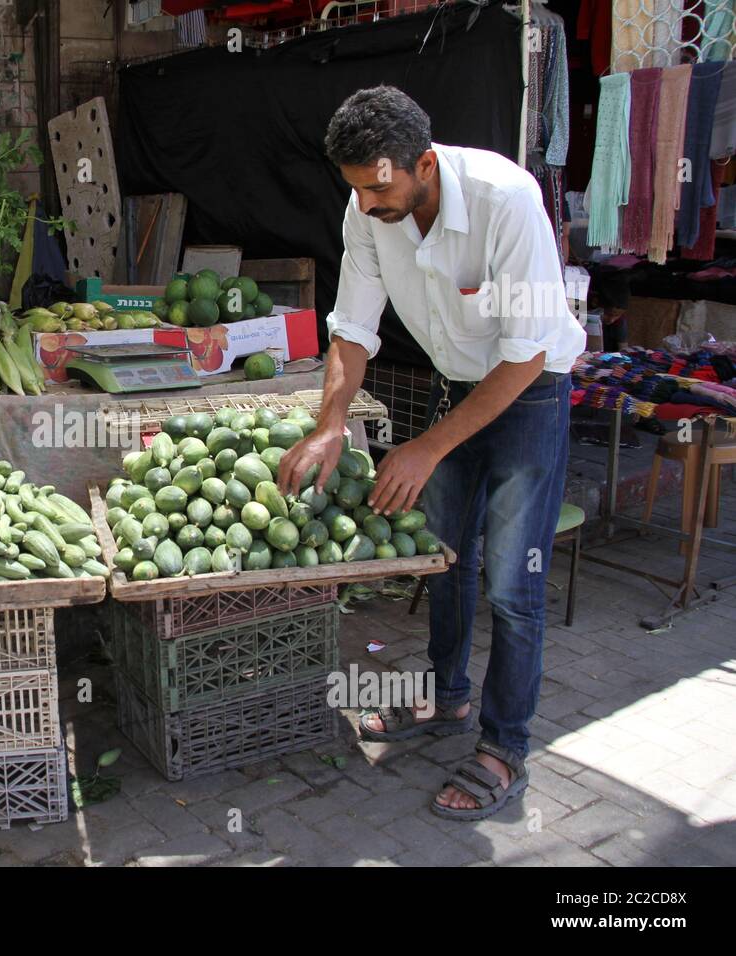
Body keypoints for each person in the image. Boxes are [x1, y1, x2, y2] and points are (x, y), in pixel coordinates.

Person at [277, 86, 585, 821]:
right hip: (459, 385)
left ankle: (502, 747)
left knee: (513, 584)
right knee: (444, 559)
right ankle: (447, 699)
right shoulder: (367, 207)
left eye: (378, 187)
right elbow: (353, 325)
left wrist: (425, 449)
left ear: (423, 162)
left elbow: (525, 351)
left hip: (530, 391)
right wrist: (330, 419)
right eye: (354, 188)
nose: (367, 202)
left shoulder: (504, 200)